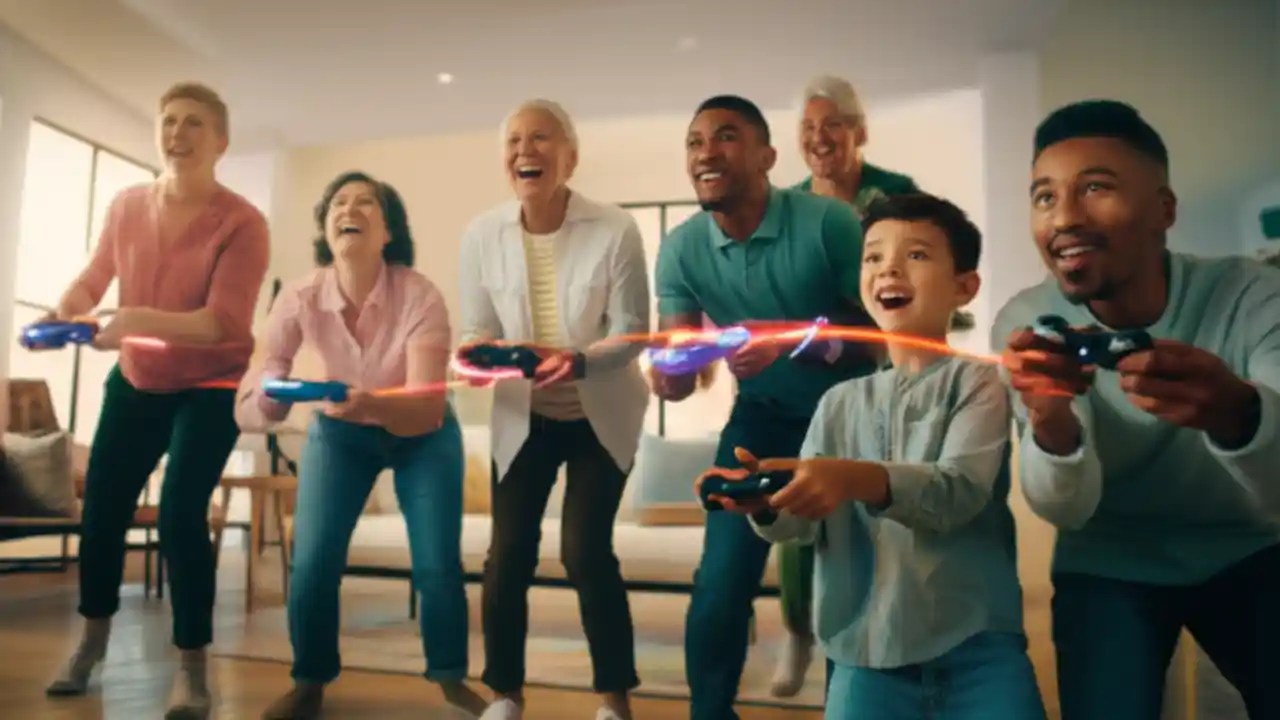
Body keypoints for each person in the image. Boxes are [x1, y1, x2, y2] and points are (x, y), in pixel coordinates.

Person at [702, 193, 1045, 719]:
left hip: (979, 651)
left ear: (964, 286)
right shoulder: (839, 402)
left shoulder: (979, 383)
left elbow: (957, 492)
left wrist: (853, 478)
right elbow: (800, 526)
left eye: (917, 255)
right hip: (865, 657)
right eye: (873, 257)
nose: (889, 268)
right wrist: (768, 501)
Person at [994, 100, 1280, 719]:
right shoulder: (1024, 324)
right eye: (1045, 197)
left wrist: (1240, 415)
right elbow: (1065, 508)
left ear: (1164, 211)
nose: (1064, 218)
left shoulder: (1253, 296)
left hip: (1251, 547)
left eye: (1095, 187)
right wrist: (1051, 424)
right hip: (1107, 559)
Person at [39, 82, 270, 719]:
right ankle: (91, 643)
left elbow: (221, 323)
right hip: (138, 379)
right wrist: (68, 311)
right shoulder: (126, 205)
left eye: (194, 123)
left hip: (210, 384)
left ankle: (193, 670)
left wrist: (132, 316)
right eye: (168, 121)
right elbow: (94, 275)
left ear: (219, 142)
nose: (178, 132)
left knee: (177, 516)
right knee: (103, 511)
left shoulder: (243, 223)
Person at [651, 94, 880, 720]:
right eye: (695, 142)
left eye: (724, 137)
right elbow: (684, 365)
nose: (705, 154)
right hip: (760, 418)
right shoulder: (680, 249)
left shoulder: (829, 224)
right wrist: (671, 376)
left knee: (850, 583)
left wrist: (789, 341)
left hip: (849, 415)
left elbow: (881, 329)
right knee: (722, 580)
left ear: (767, 156)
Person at [235, 171, 483, 719]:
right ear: (328, 228)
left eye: (366, 202)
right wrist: (270, 403)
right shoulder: (299, 297)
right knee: (315, 558)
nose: (351, 208)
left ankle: (450, 678)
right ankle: (309, 679)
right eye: (339, 203)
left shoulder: (420, 295)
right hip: (340, 433)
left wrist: (370, 404)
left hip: (423, 434)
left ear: (387, 231)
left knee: (437, 564)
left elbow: (422, 408)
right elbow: (256, 390)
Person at [456, 98, 651, 720]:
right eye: (514, 141)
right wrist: (481, 357)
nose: (525, 151)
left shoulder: (615, 228)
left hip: (601, 413)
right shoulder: (481, 234)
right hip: (524, 416)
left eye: (541, 138)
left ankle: (613, 701)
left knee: (584, 552)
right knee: (506, 555)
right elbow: (475, 331)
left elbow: (633, 332)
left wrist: (580, 361)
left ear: (570, 155)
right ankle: (506, 694)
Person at [771, 73, 924, 698]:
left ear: (858, 130)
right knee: (798, 493)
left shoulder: (895, 194)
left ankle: (887, 628)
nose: (819, 138)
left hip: (880, 369)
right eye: (808, 128)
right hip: (808, 376)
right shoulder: (789, 204)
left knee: (875, 504)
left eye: (831, 123)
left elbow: (917, 270)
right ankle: (798, 631)